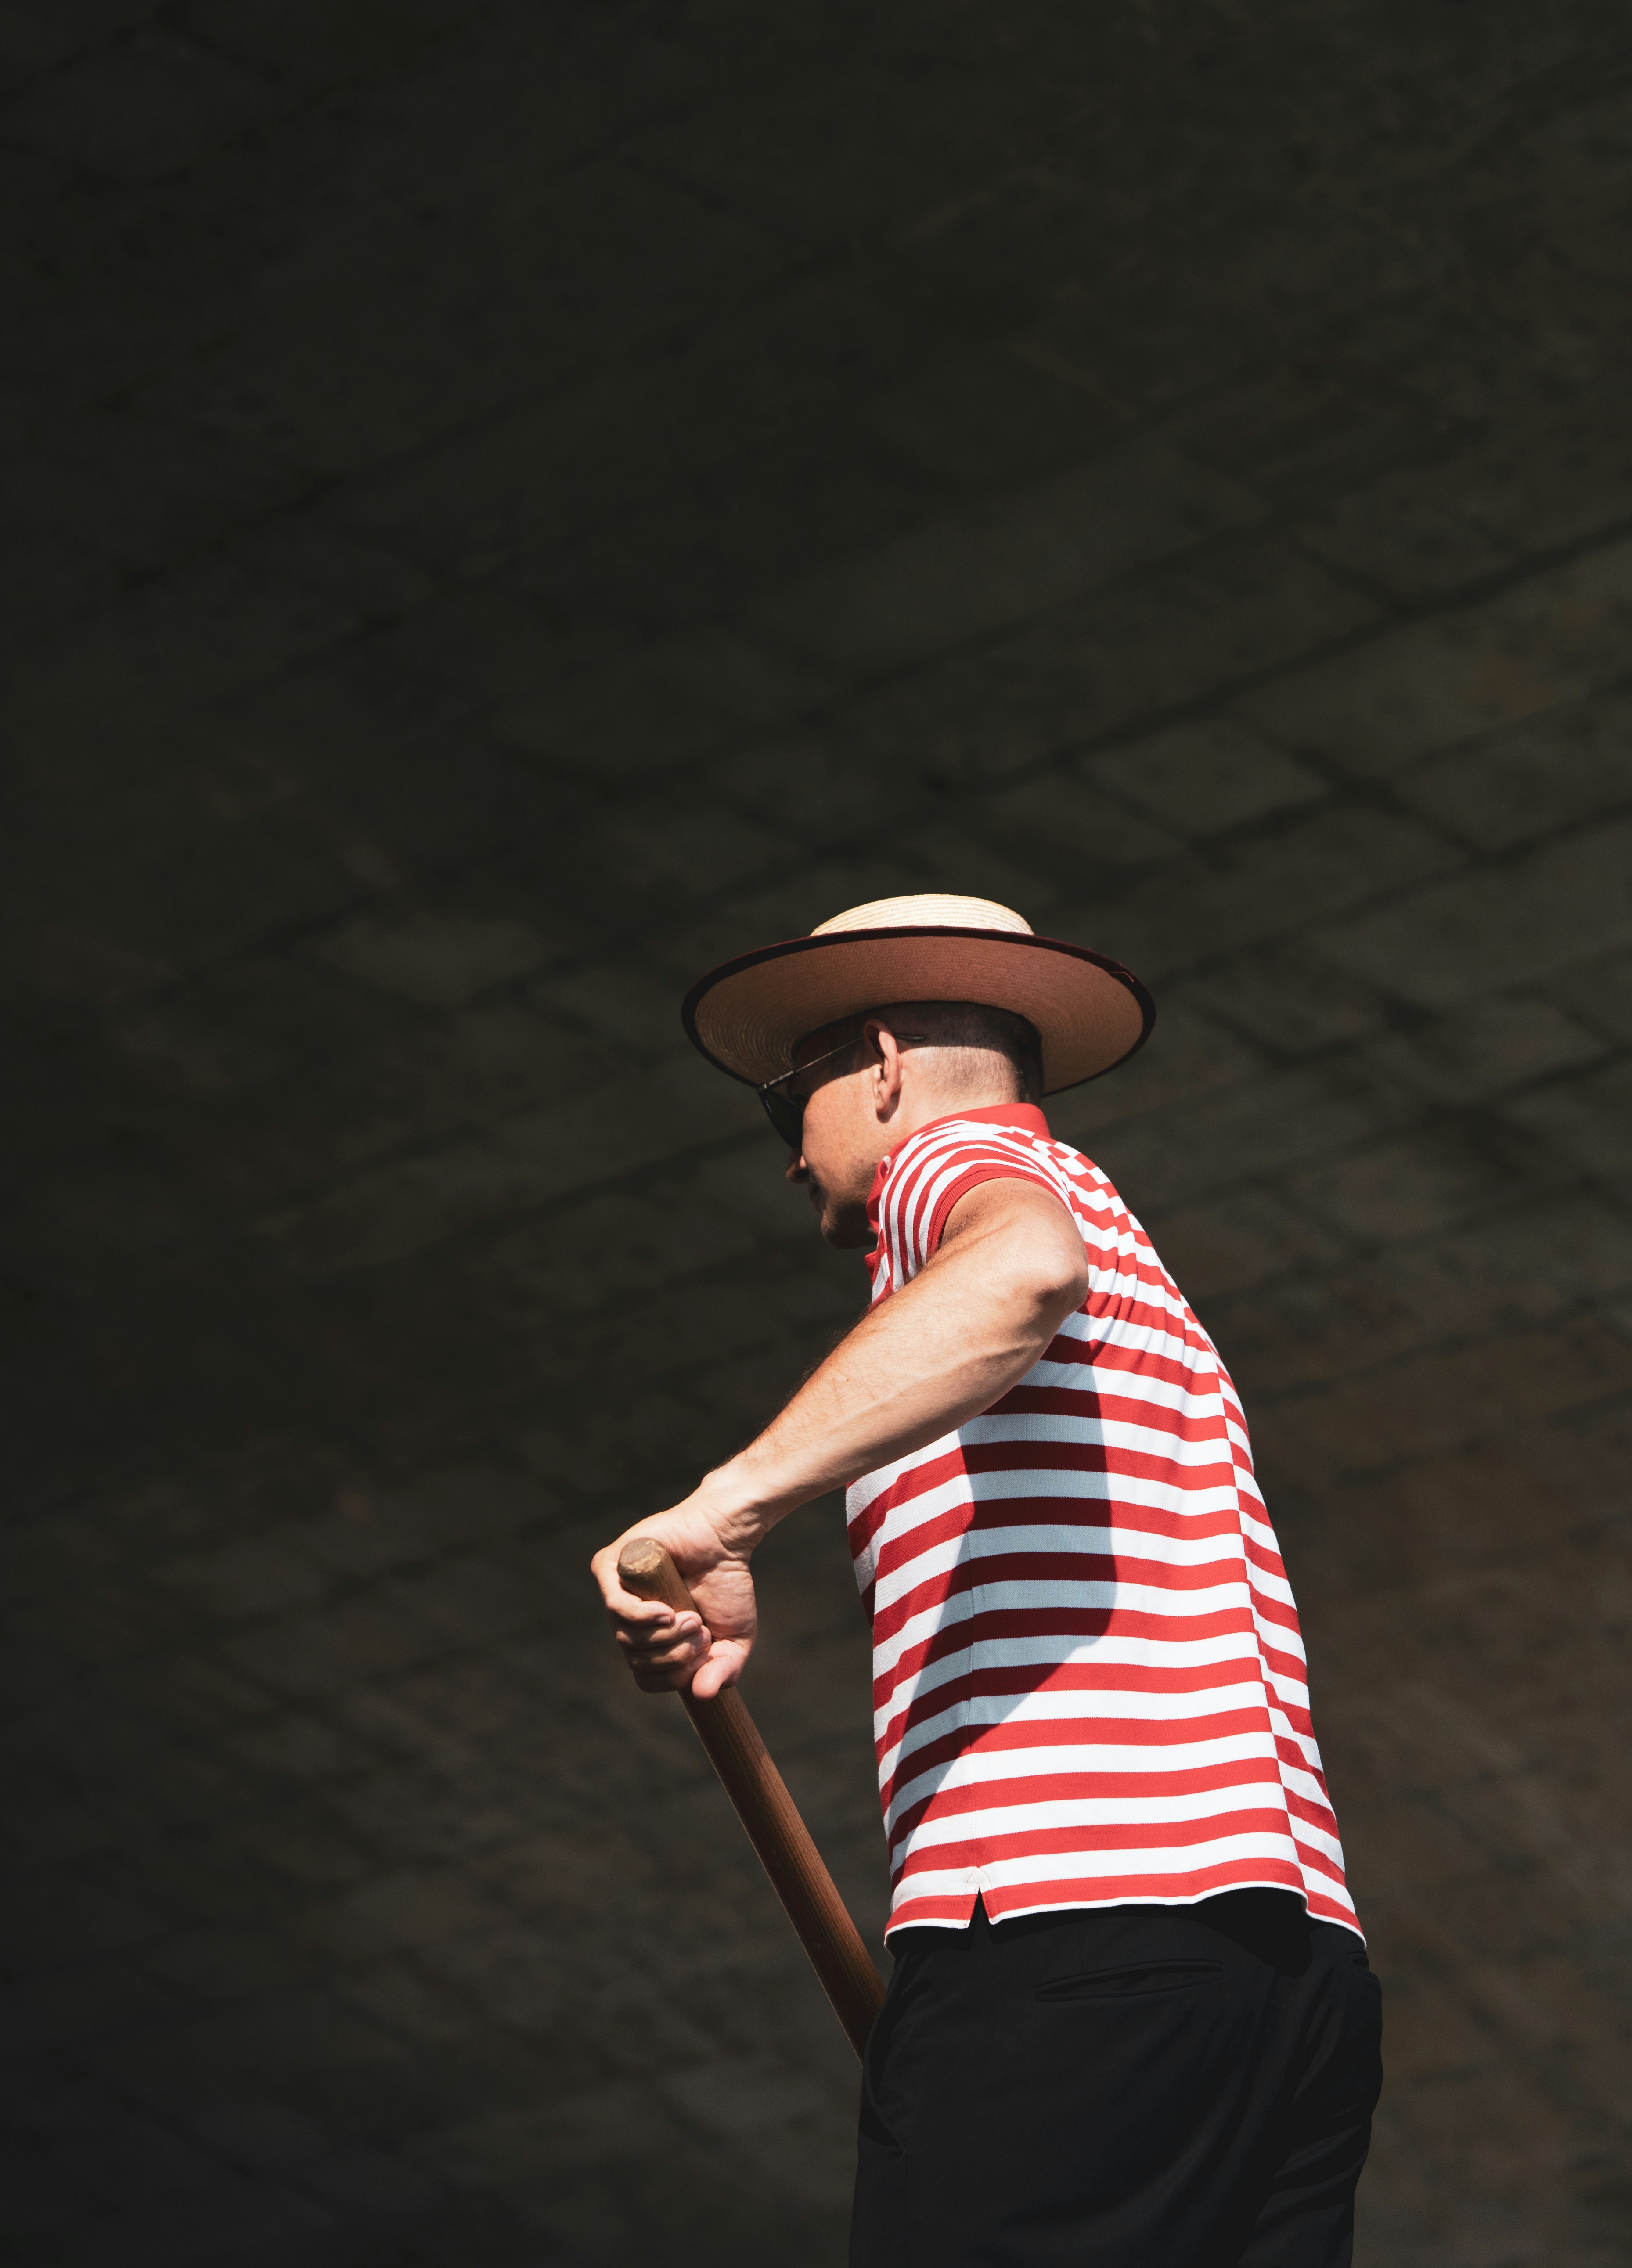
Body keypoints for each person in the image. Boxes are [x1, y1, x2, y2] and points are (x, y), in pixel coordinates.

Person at [592, 893, 1381, 2267]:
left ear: (885, 1066)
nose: (790, 1166)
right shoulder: (1139, 1278)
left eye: (792, 1109)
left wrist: (726, 1509)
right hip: (1291, 1976)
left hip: (1077, 1941)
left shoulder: (953, 1166)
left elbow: (1018, 1269)